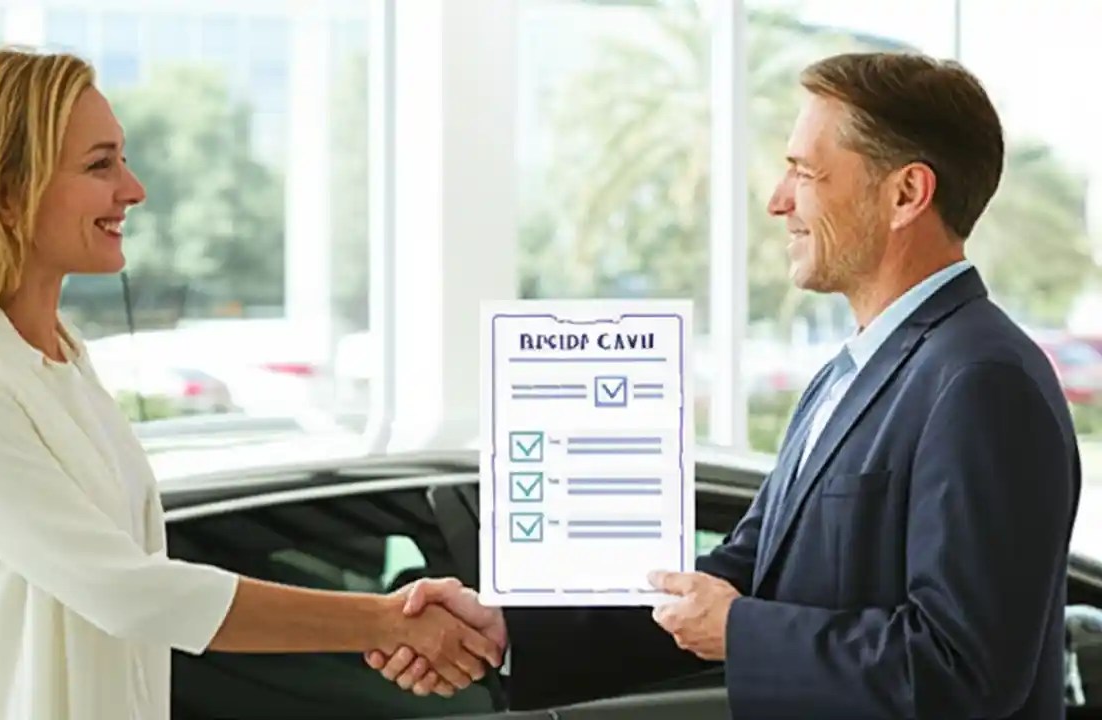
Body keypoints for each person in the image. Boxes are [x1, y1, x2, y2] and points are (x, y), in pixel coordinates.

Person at [367, 51, 1081, 719]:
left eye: (805, 172)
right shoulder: (851, 374)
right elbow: (744, 572)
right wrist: (507, 626)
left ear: (906, 193)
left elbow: (963, 668)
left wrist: (739, 630)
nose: (777, 201)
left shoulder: (983, 382)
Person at [0, 47, 500, 720]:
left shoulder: (59, 358)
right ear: (8, 193)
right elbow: (127, 591)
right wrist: (387, 621)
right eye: (100, 165)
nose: (133, 189)